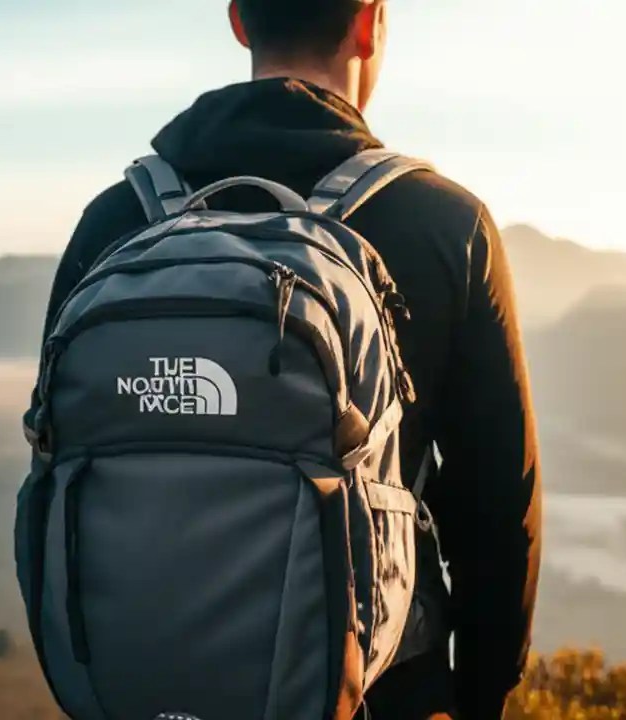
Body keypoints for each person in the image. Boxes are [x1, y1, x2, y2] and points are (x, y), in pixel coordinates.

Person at [38, 1, 541, 717]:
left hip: (135, 692)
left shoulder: (117, 222)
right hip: (374, 690)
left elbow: (58, 464)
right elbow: (499, 509)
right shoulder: (443, 223)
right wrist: (481, 694)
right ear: (369, 23)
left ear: (240, 21)